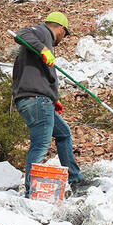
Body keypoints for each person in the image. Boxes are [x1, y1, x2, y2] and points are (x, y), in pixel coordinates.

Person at [12, 12, 84, 195]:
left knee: (63, 133)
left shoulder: (44, 42)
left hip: (38, 100)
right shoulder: (44, 33)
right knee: (40, 145)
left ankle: (75, 179)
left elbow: (42, 75)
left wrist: (54, 98)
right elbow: (21, 34)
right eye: (65, 34)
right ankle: (31, 190)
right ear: (60, 28)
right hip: (36, 100)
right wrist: (44, 49)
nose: (63, 38)